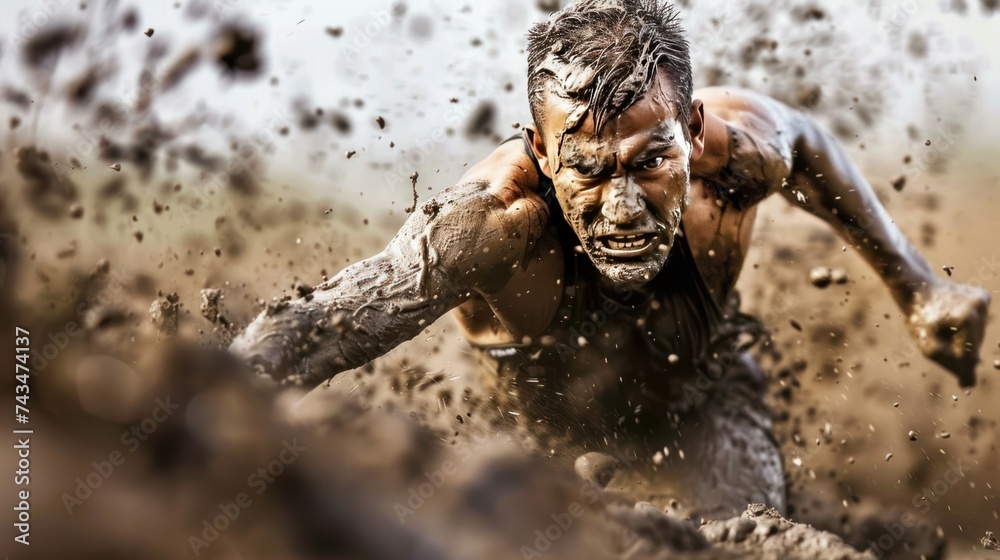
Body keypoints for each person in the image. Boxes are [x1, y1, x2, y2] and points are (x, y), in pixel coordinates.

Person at [229, 0, 989, 518]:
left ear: (691, 130)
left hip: (703, 391)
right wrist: (195, 405)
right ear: (539, 149)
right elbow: (329, 321)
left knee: (746, 529)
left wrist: (918, 287)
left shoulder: (736, 156)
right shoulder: (496, 223)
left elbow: (810, 145)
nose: (622, 207)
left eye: (650, 162)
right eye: (589, 169)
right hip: (542, 434)